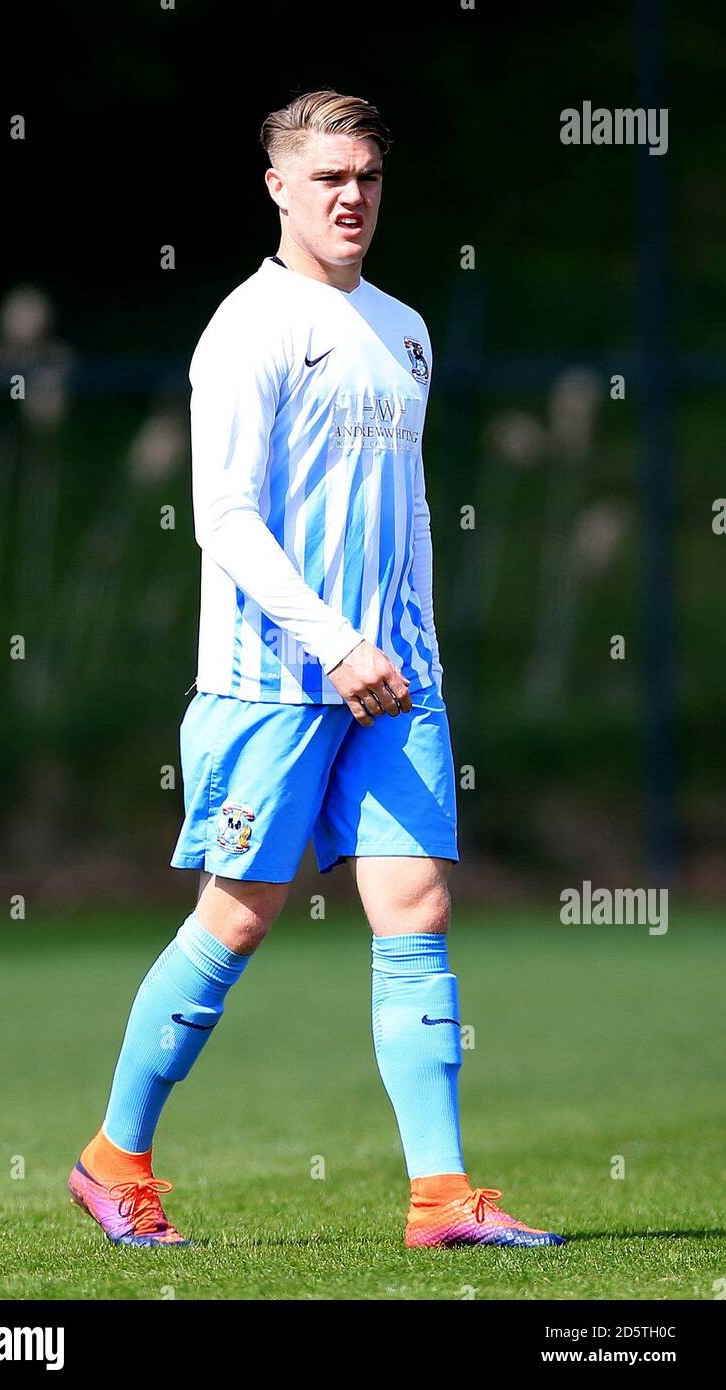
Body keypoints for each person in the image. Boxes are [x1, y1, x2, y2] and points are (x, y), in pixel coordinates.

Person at [68, 89, 565, 1249]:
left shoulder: (405, 329)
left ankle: (441, 1198)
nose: (352, 197)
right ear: (278, 187)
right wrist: (334, 642)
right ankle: (113, 1156)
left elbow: (413, 513)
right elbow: (224, 519)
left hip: (394, 679)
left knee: (417, 904)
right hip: (275, 678)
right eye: (328, 176)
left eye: (369, 179)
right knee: (238, 916)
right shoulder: (248, 326)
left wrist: (411, 649)